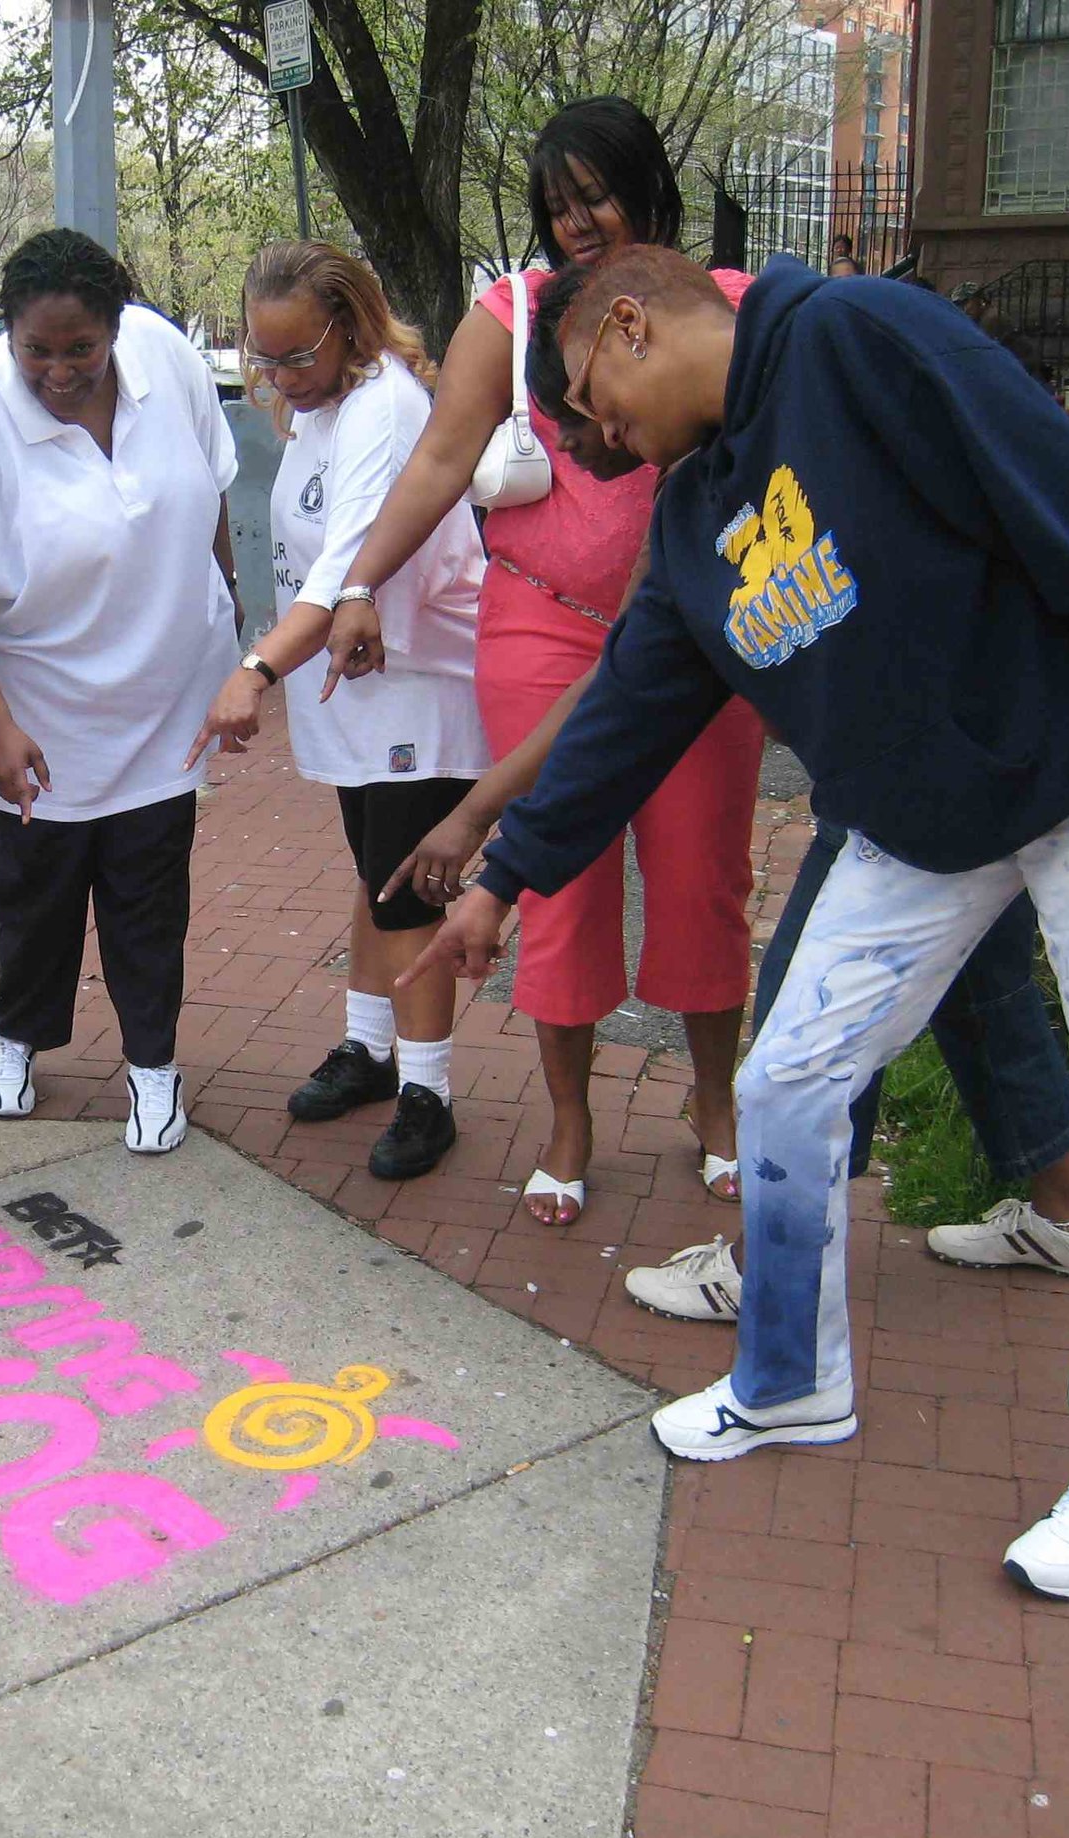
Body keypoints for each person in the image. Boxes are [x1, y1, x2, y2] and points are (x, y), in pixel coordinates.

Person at [407, 247, 1069, 1601]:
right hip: (915, 828)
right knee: (785, 1082)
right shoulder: (693, 518)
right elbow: (629, 707)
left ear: (631, 320)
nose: (596, 436)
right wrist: (505, 875)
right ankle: (790, 1374)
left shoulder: (858, 338)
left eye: (595, 397)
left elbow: (1052, 485)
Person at [321, 97, 765, 1229]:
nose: (576, 222)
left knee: (701, 882)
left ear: (648, 186)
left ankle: (716, 1108)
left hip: (699, 640)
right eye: (556, 204)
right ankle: (567, 1125)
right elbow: (433, 464)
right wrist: (360, 584)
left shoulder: (728, 310)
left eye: (596, 196)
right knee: (551, 885)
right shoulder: (506, 317)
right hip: (541, 624)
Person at [0, 229, 240, 1154]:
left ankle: (154, 1068)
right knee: (34, 896)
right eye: (35, 349)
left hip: (163, 704)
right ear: (6, 334)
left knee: (148, 897)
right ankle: (16, 1033)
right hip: (36, 715)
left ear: (118, 329)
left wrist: (232, 637)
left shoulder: (166, 363)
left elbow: (210, 499)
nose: (58, 369)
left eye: (80, 348)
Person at [188, 240, 489, 1179]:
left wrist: (256, 669)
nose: (279, 377)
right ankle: (369, 1045)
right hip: (353, 696)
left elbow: (344, 564)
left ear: (349, 326)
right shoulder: (320, 411)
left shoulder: (388, 409)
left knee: (409, 890)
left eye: (296, 356)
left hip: (416, 690)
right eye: (262, 359)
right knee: (375, 874)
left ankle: (428, 1090)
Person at [623, 825, 1069, 1321]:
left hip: (898, 792)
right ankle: (1063, 1217)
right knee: (986, 992)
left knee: (813, 1008)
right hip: (1001, 790)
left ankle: (767, 1269)